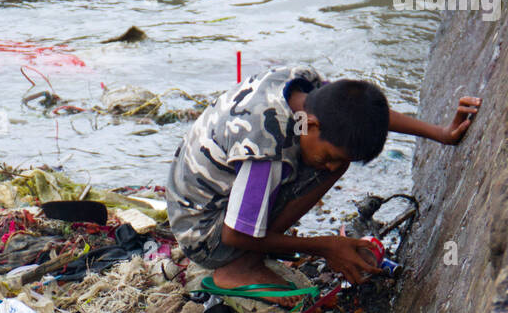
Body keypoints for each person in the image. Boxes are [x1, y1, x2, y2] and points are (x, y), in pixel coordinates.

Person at [165, 63, 482, 300]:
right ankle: (240, 269)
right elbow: (235, 235)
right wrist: (325, 247)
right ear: (312, 124)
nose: (331, 163)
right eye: (328, 152)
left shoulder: (307, 90)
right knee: (328, 168)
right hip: (204, 232)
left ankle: (258, 245)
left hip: (197, 188)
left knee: (336, 162)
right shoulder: (267, 151)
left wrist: (440, 133)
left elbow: (364, 114)